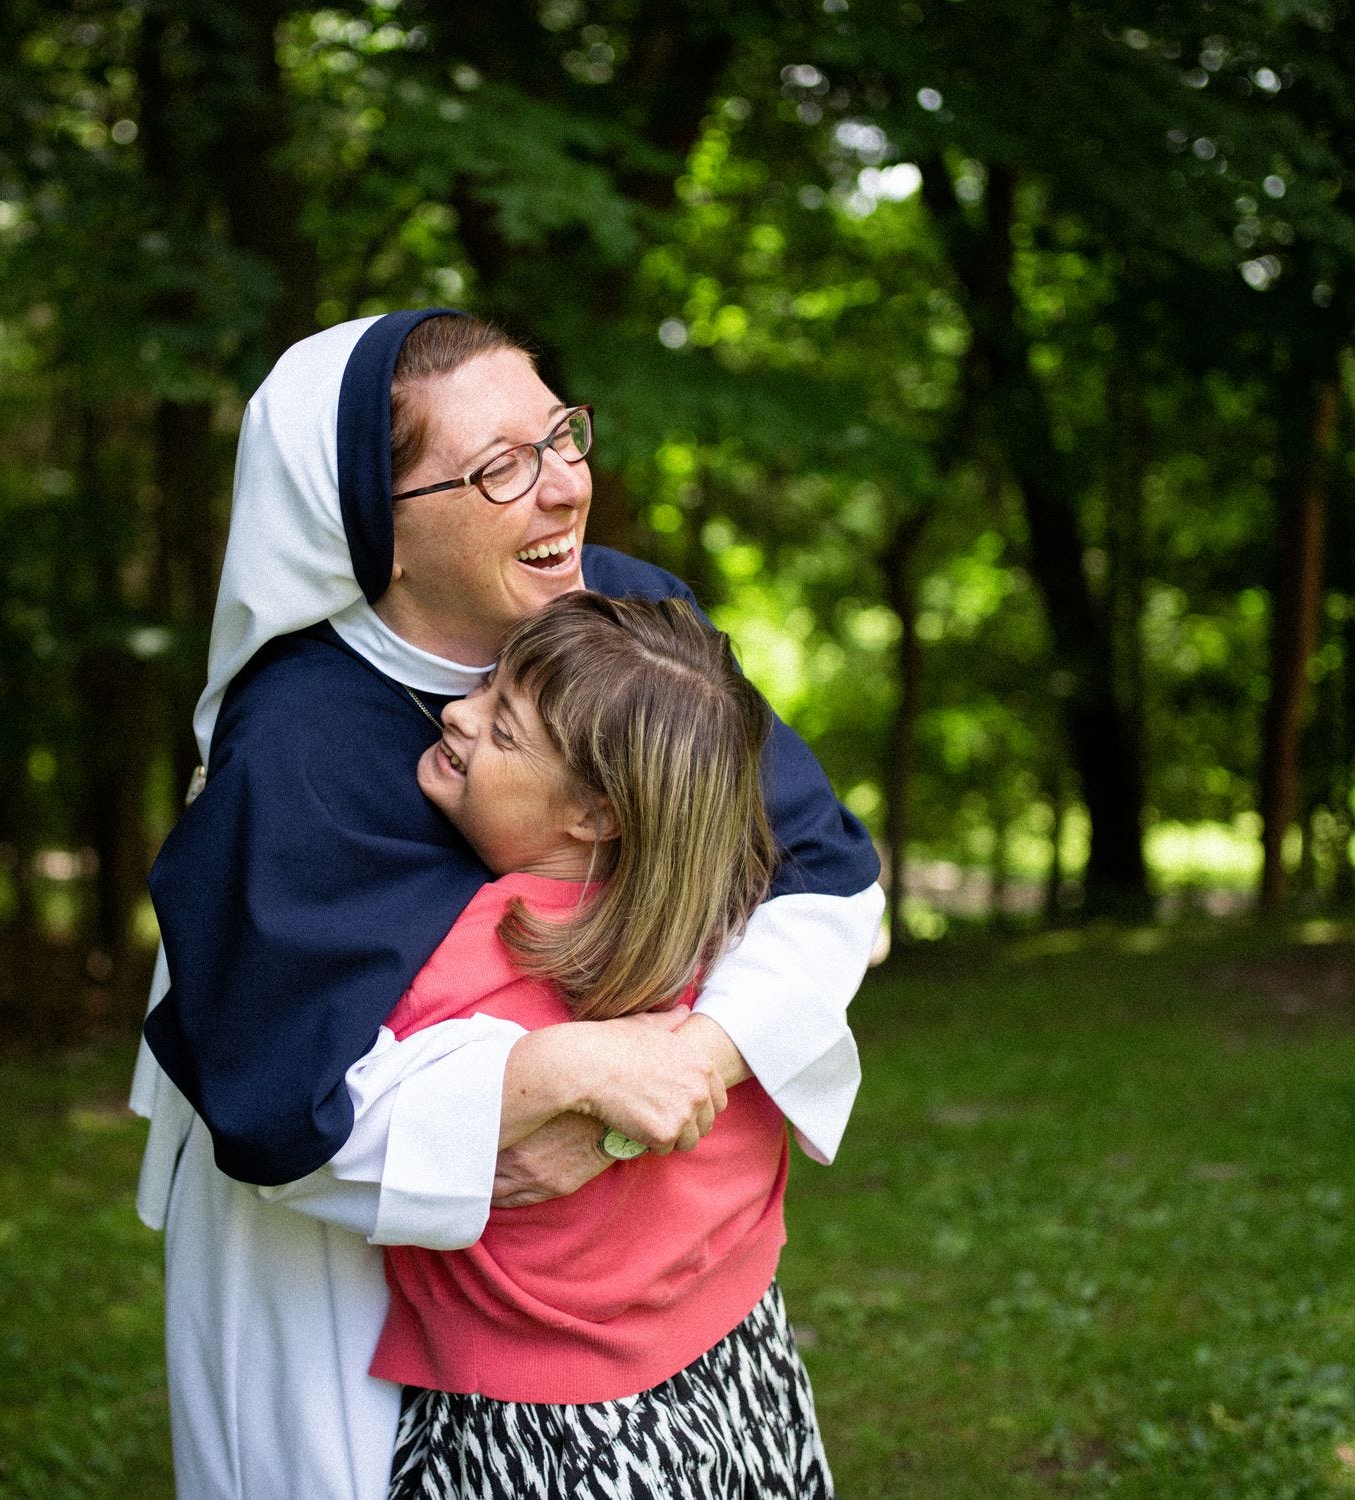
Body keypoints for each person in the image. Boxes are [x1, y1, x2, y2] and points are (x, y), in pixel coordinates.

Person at [127, 308, 883, 1500]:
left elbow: (825, 876)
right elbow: (282, 1108)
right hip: (342, 1287)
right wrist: (552, 1083)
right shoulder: (296, 752)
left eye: (560, 436)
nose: (563, 490)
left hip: (656, 1298)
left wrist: (692, 1057)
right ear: (375, 525)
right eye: (497, 467)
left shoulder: (632, 624)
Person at [377, 591, 831, 1497]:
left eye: (503, 730)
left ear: (593, 813)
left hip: (540, 1425)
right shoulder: (721, 932)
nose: (456, 715)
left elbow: (317, 1114)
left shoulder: (449, 962)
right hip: (745, 1361)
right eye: (485, 686)